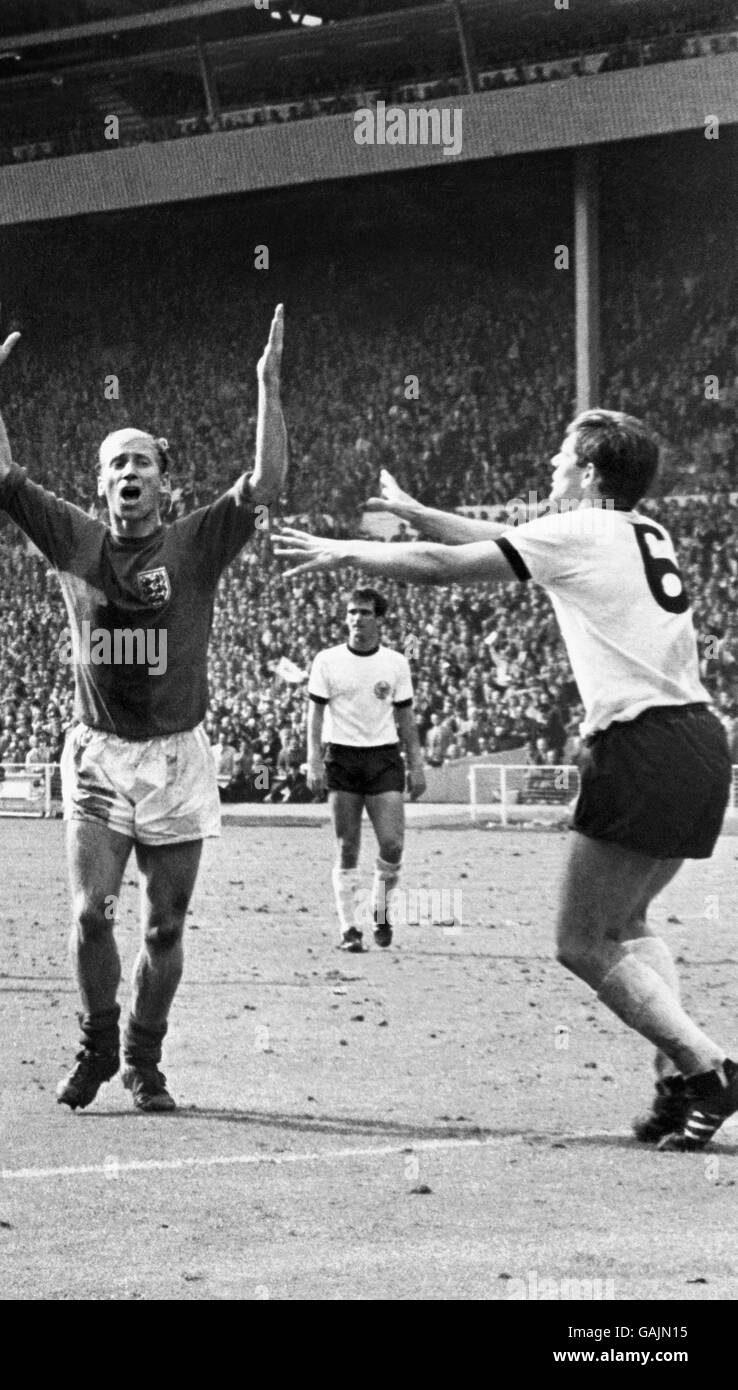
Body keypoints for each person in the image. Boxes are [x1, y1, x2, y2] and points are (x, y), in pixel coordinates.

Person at [275, 410, 736, 1151]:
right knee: (629, 924)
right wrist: (420, 512)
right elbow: (504, 544)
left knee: (580, 942)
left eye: (561, 457)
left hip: (641, 744)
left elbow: (441, 566)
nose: (549, 468)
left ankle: (706, 1067)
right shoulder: (643, 532)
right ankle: (680, 1085)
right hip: (698, 740)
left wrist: (347, 552)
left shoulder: (583, 532)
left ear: (589, 474)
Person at [0, 296, 286, 1112]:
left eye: (143, 460)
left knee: (163, 929)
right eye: (117, 463)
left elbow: (268, 483)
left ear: (163, 479)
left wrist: (268, 388)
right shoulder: (73, 538)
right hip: (102, 754)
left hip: (178, 758)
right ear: (101, 482)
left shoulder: (198, 542)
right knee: (90, 913)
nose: (131, 472)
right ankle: (96, 1045)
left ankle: (145, 1059)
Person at [307, 588, 426, 952]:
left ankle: (380, 910)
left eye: (364, 612)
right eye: (351, 612)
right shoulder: (327, 660)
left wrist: (416, 763)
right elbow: (314, 714)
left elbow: (405, 718)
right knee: (347, 847)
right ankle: (349, 929)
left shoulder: (395, 663)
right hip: (342, 756)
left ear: (379, 619)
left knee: (392, 843)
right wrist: (313, 759)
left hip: (383, 757)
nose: (356, 618)